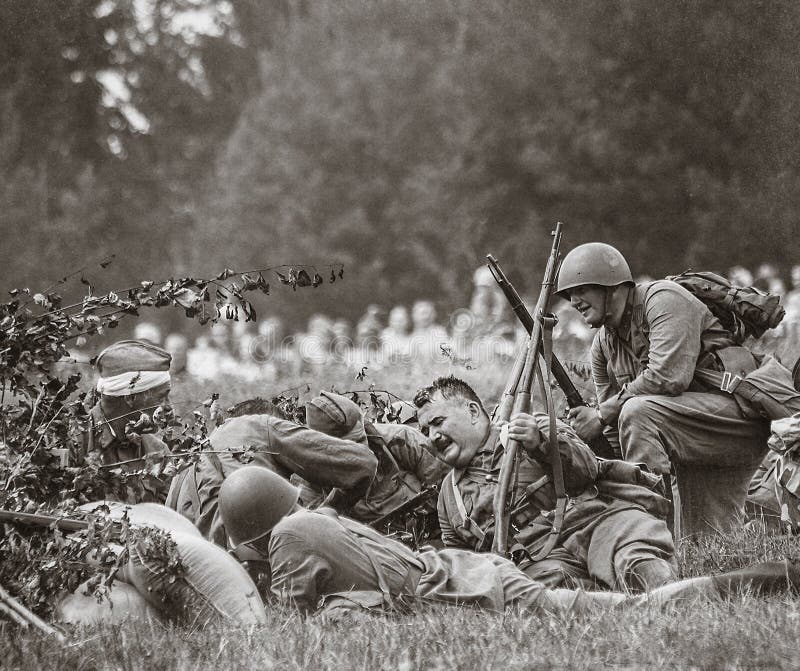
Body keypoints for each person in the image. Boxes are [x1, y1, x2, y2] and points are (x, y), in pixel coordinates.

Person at [219, 466, 800, 616]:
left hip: (470, 588)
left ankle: (771, 579)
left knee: (635, 610)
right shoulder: (313, 522)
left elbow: (289, 628)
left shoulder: (290, 539)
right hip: (468, 572)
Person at [556, 243, 770, 538]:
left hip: (738, 420)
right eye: (569, 295)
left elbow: (669, 377)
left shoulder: (664, 300)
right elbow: (610, 428)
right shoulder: (603, 345)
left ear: (613, 287)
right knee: (705, 542)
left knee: (638, 411)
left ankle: (649, 538)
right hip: (693, 435)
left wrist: (600, 414)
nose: (573, 301)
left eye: (582, 289)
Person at [413, 376, 676, 591]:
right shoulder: (449, 498)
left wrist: (539, 442)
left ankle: (675, 596)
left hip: (597, 522)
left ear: (472, 411)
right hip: (540, 562)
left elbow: (586, 468)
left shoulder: (530, 427)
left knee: (637, 563)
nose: (432, 436)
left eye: (438, 422)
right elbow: (465, 563)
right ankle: (612, 602)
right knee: (543, 596)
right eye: (425, 431)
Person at [164, 398, 378, 547]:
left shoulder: (181, 469)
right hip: (270, 561)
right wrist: (328, 513)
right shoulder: (259, 426)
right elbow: (363, 464)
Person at [291, 392, 449, 534]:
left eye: (360, 439)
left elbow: (446, 485)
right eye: (349, 448)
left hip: (429, 525)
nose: (361, 449)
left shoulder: (400, 439)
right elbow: (320, 532)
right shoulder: (309, 479)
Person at [71, 339, 173, 502]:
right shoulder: (74, 442)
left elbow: (171, 518)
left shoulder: (158, 452)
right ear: (131, 398)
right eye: (162, 397)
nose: (168, 406)